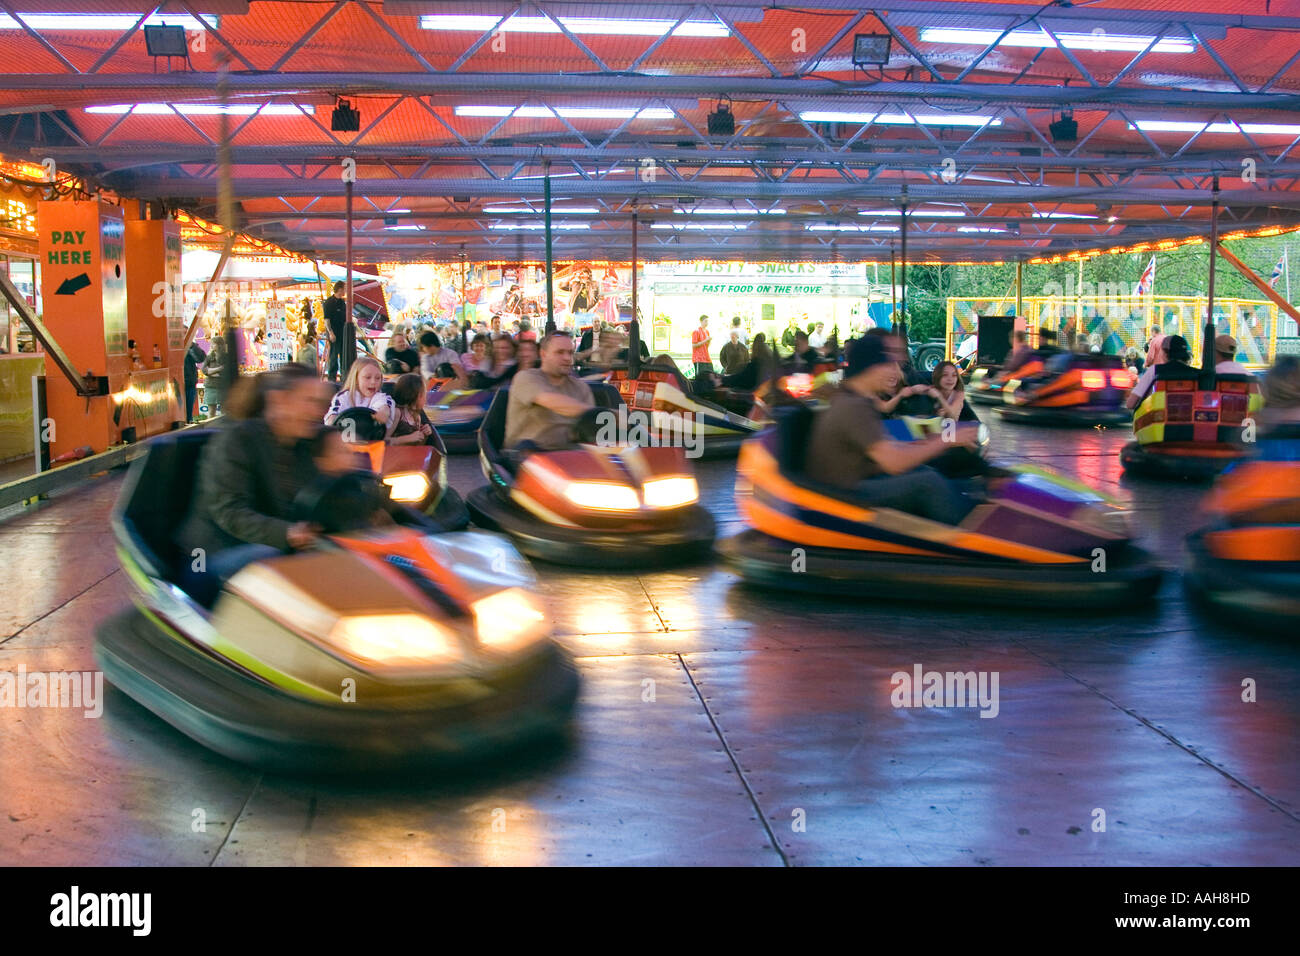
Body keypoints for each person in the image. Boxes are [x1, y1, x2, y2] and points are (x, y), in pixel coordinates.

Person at [178, 363, 333, 602]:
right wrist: (288, 533)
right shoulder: (236, 440)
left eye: (320, 403)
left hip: (271, 549)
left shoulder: (303, 445)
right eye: (309, 401)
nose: (317, 412)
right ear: (280, 400)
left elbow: (319, 495)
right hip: (209, 556)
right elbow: (230, 512)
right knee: (271, 562)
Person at [804, 336, 982, 524]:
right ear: (871, 369)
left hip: (857, 481)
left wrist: (925, 444)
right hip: (846, 496)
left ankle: (977, 499)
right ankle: (975, 537)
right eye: (888, 365)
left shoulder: (855, 399)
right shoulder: (852, 406)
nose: (894, 371)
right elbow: (894, 462)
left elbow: (883, 452)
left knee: (926, 471)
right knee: (927, 483)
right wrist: (947, 439)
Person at [504, 331, 595, 453]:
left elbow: (590, 426)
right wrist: (603, 413)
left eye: (570, 353)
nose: (567, 358)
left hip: (567, 454)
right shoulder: (525, 378)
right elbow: (551, 401)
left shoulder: (581, 387)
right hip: (525, 456)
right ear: (543, 354)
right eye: (560, 352)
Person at [325, 355, 395, 432]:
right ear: (356, 379)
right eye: (368, 377)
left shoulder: (380, 397)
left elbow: (384, 406)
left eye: (378, 378)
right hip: (346, 437)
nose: (373, 382)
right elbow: (333, 415)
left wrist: (383, 412)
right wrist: (332, 421)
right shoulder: (344, 396)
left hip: (370, 437)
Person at [1126, 334, 1193, 409]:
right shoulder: (1197, 375)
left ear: (1165, 353)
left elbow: (1130, 403)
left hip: (1159, 417)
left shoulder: (1154, 371)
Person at [389, 373, 435, 446]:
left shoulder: (417, 417)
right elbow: (384, 441)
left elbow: (418, 446)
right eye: (424, 394)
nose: (425, 399)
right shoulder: (397, 413)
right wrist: (408, 438)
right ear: (416, 395)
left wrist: (425, 435)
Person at [323, 281, 347, 383]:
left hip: (342, 332)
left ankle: (343, 378)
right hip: (334, 332)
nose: (345, 291)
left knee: (343, 355)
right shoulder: (329, 302)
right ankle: (331, 378)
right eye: (344, 289)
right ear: (340, 289)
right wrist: (331, 332)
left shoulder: (343, 303)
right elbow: (326, 320)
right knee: (333, 355)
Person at [200, 336, 228, 415]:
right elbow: (204, 370)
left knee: (224, 411)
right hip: (211, 386)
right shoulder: (209, 357)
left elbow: (225, 372)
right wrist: (218, 369)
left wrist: (211, 372)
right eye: (211, 344)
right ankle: (211, 427)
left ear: (220, 345)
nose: (212, 346)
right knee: (211, 411)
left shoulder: (226, 357)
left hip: (223, 386)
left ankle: (223, 427)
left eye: (214, 344)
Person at [183, 341, 205, 422]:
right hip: (175, 384)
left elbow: (200, 358)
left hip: (189, 384)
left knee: (188, 415)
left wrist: (191, 346)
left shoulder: (191, 346)